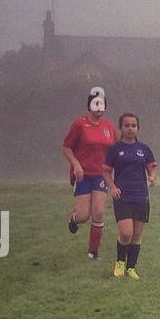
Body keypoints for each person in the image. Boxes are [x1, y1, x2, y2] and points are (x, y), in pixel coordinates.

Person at [61, 95, 117, 260]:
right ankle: (74, 218)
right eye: (96, 103)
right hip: (83, 175)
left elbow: (114, 151)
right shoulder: (80, 124)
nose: (99, 107)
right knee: (84, 215)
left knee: (98, 213)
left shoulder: (109, 127)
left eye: (102, 104)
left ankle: (93, 253)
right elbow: (66, 147)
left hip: (101, 175)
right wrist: (76, 164)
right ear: (89, 106)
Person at [104, 113, 158, 280]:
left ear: (137, 128)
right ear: (121, 128)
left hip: (141, 196)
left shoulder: (144, 149)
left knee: (136, 235)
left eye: (133, 125)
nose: (130, 129)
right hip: (123, 196)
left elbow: (151, 167)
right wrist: (112, 187)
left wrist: (152, 176)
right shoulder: (115, 149)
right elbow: (106, 171)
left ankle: (131, 268)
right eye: (126, 125)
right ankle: (120, 263)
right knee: (126, 233)